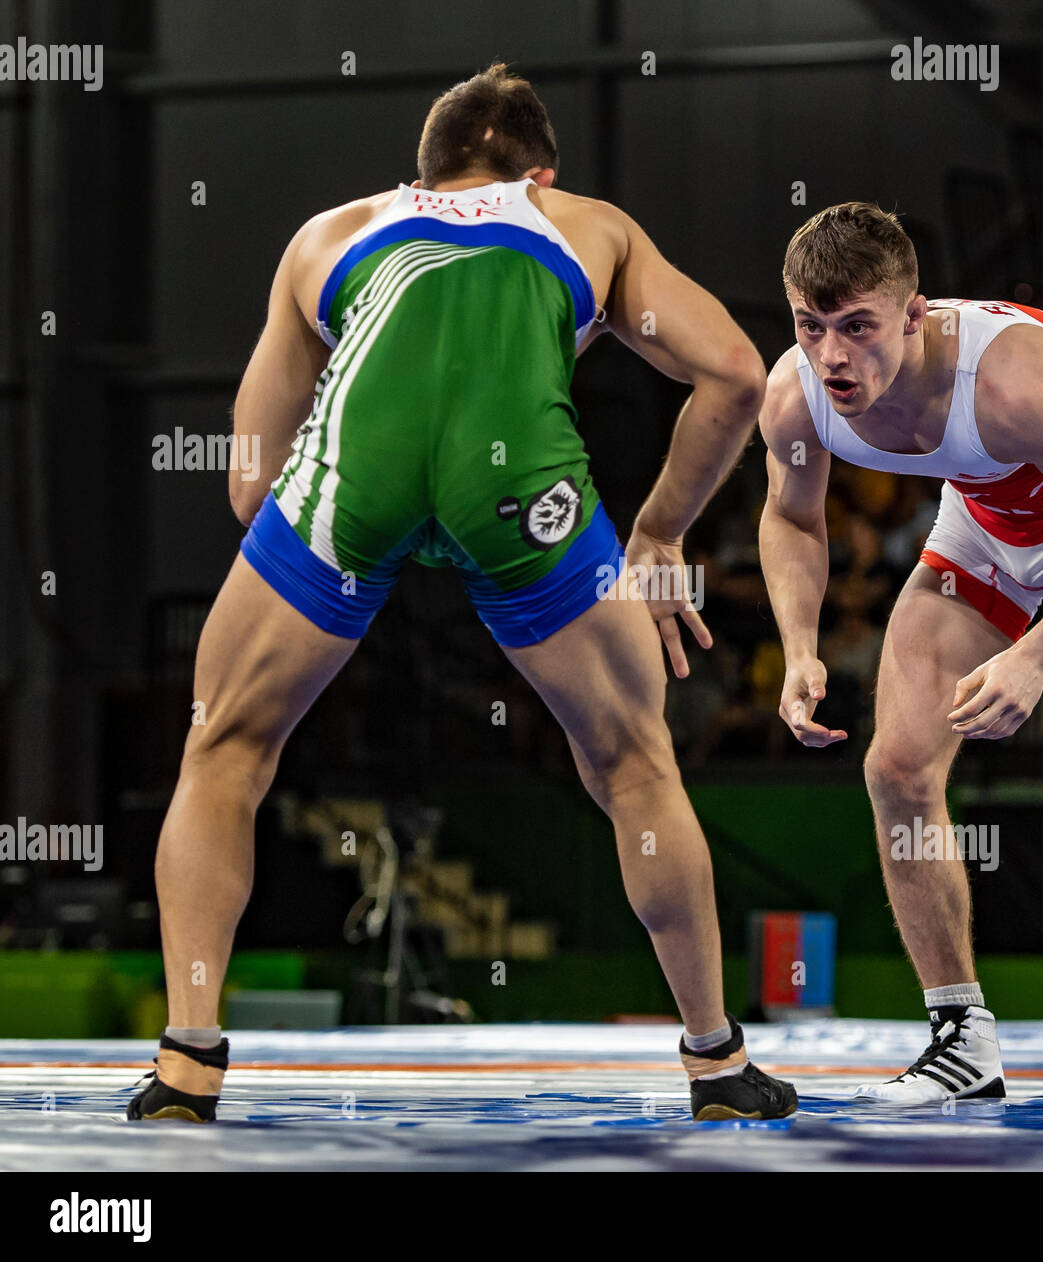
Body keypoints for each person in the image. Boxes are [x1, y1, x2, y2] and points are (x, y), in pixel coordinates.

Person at [127, 63, 795, 1124]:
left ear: (421, 173)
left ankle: (187, 1060)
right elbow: (736, 374)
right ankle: (716, 1061)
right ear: (542, 169)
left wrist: (341, 547)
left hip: (355, 472)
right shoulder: (582, 223)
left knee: (226, 746)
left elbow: (249, 478)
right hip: (519, 485)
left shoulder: (329, 234)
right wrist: (658, 532)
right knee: (633, 765)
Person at [759, 202, 1043, 1108]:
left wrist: (1035, 655)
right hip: (983, 530)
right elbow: (792, 516)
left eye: (858, 328)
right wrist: (798, 650)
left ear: (914, 314)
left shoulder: (1010, 380)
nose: (832, 357)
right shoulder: (797, 394)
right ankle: (961, 1039)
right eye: (810, 326)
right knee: (897, 770)